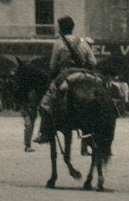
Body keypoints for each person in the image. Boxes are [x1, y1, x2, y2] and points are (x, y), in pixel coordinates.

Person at [32, 15, 97, 145]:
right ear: (72, 28)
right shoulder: (83, 42)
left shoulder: (59, 43)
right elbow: (93, 62)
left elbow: (52, 66)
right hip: (84, 75)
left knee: (45, 101)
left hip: (66, 75)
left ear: (61, 29)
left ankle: (44, 133)